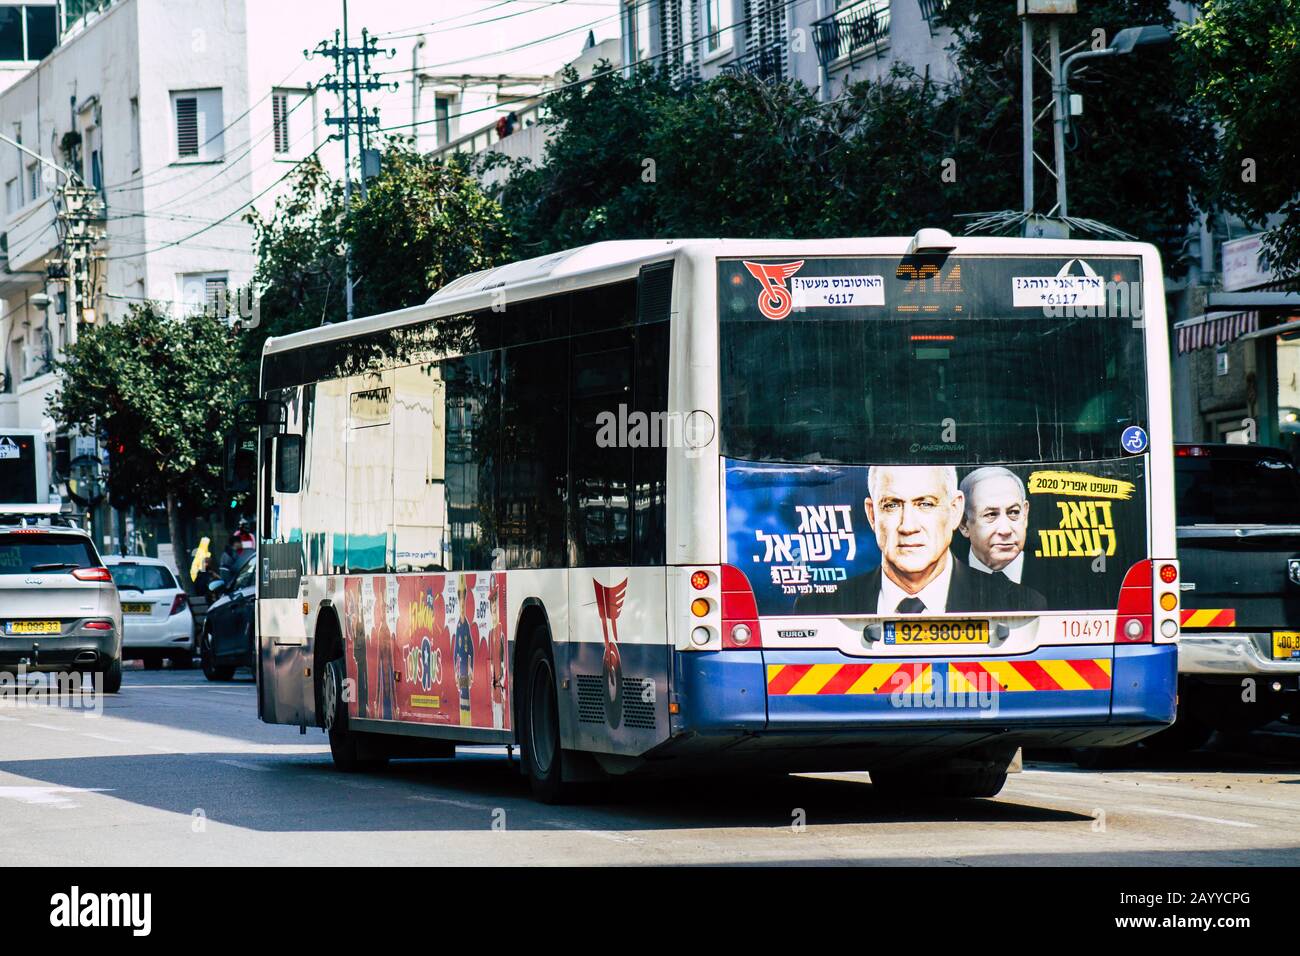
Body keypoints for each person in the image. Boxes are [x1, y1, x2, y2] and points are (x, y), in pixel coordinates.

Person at [796, 465, 1045, 615]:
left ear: (956, 510)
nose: (908, 526)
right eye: (892, 505)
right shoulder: (818, 608)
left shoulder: (1019, 604)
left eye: (925, 504)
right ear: (872, 515)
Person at [958, 466, 1049, 604]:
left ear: (1025, 514)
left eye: (1013, 512)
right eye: (991, 515)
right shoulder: (942, 580)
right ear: (964, 524)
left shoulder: (1062, 581)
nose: (1006, 530)